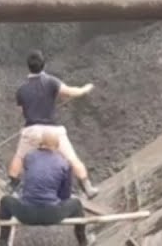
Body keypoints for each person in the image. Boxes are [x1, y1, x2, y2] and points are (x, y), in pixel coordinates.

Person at [7, 50, 99, 198]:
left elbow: (20, 111)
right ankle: (87, 186)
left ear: (28, 67)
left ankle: (12, 187)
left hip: (31, 128)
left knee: (19, 157)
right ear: (44, 65)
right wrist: (84, 89)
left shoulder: (21, 90)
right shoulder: (51, 82)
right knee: (71, 158)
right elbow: (70, 92)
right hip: (53, 130)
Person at [0, 130, 88, 246]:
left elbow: (29, 180)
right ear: (57, 146)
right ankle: (83, 241)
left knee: (5, 201)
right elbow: (65, 195)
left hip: (26, 213)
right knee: (76, 204)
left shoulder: (29, 156)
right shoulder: (64, 163)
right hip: (52, 215)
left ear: (40, 143)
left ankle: (2, 241)